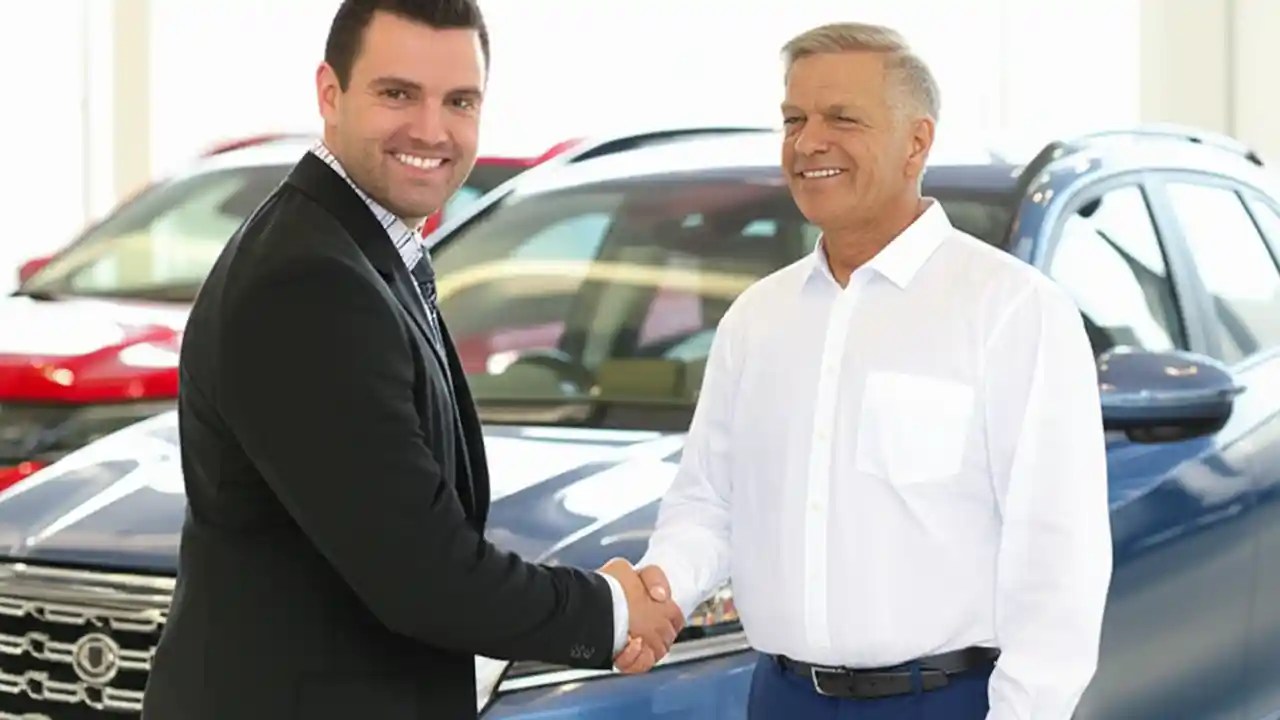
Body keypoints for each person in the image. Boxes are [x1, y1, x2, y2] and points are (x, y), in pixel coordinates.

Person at [140, 1, 681, 718]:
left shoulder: (350, 249)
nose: (431, 130)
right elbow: (422, 577)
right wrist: (610, 612)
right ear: (330, 94)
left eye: (459, 101)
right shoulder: (309, 282)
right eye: (398, 94)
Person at [611, 21, 1113, 720]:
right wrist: (656, 588)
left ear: (917, 142)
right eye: (794, 119)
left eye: (841, 118)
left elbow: (1057, 559)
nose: (808, 140)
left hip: (946, 702)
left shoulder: (1013, 311)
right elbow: (708, 505)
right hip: (781, 698)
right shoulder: (758, 320)